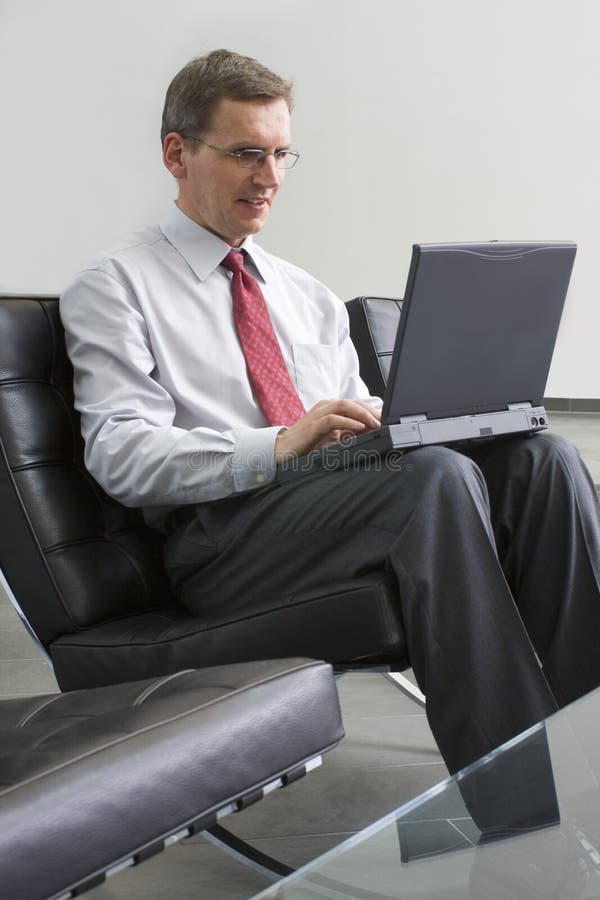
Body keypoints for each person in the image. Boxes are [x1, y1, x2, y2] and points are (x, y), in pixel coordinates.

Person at [60, 49, 600, 776]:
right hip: (222, 542)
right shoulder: (115, 286)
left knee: (543, 460)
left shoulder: (301, 291)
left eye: (283, 153)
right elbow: (121, 456)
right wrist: (281, 443)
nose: (271, 178)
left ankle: (589, 760)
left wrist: (433, 419)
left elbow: (359, 417)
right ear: (176, 154)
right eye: (247, 153)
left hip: (332, 508)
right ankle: (523, 805)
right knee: (434, 483)